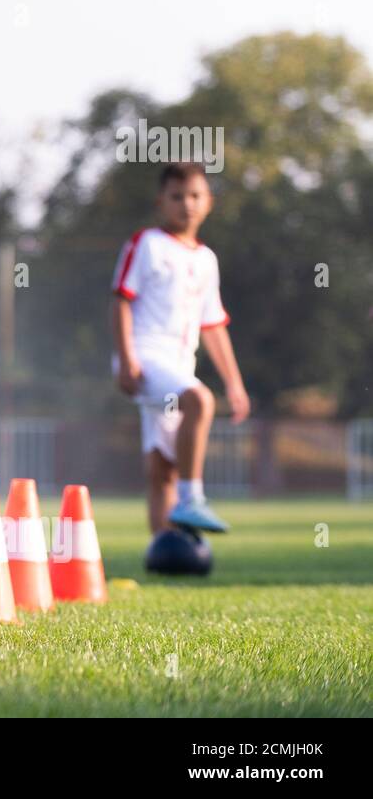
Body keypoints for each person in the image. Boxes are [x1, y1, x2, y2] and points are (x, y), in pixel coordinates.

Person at [111, 162, 249, 535]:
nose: (186, 204)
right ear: (161, 202)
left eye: (194, 196)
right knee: (200, 401)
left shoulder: (206, 260)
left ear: (208, 203)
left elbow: (213, 326)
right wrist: (126, 360)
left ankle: (162, 550)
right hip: (145, 357)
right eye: (177, 196)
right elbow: (122, 300)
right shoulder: (147, 244)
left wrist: (234, 384)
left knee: (161, 465)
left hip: (178, 366)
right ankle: (192, 499)